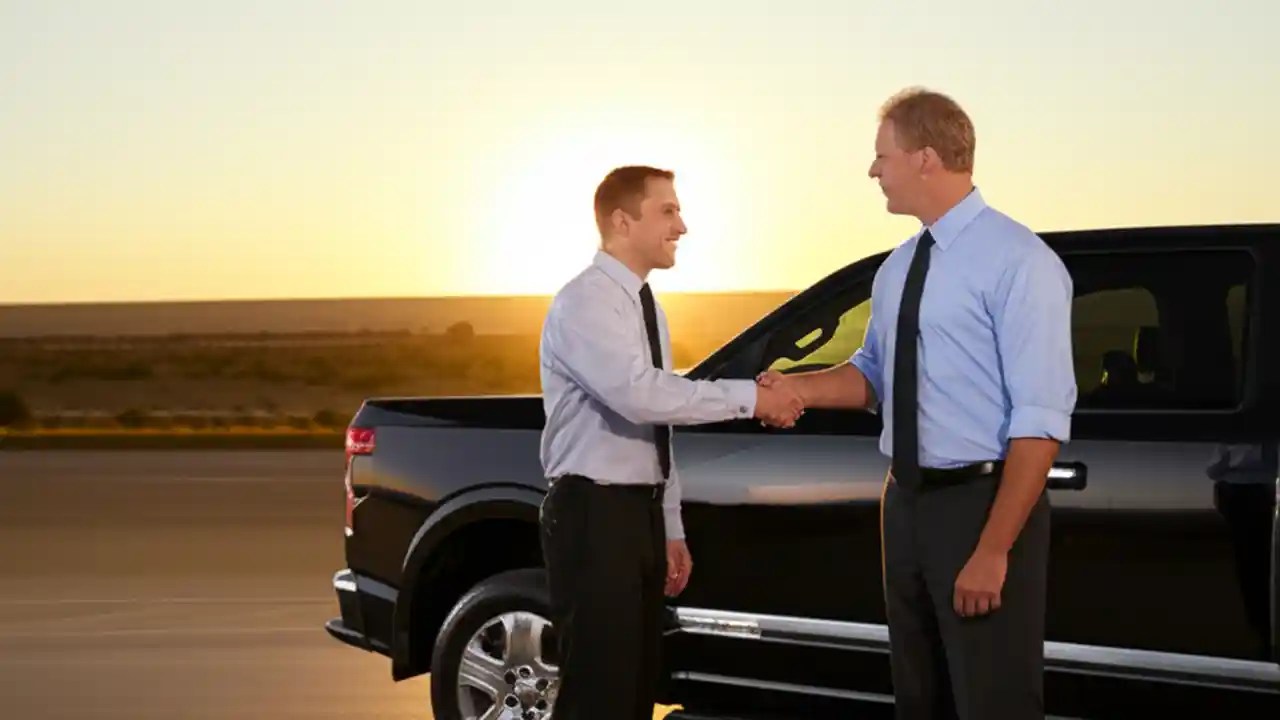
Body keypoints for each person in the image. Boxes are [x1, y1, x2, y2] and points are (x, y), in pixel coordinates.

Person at [758, 88, 1077, 719]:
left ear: (926, 158)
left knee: (993, 701)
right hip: (903, 502)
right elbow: (874, 374)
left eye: (883, 155)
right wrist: (799, 387)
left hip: (979, 505)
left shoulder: (1021, 263)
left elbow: (1039, 423)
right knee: (919, 696)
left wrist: (993, 550)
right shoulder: (898, 267)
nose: (874, 170)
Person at [538, 165, 804, 720]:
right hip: (594, 514)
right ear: (621, 220)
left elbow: (657, 425)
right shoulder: (585, 302)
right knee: (598, 693)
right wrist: (752, 399)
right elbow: (641, 397)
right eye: (667, 211)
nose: (681, 225)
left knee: (635, 691)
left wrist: (671, 524)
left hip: (636, 514)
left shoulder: (645, 304)